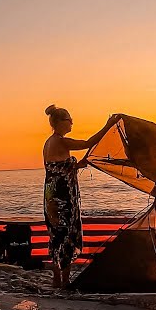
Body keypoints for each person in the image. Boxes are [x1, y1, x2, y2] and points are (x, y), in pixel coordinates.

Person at [42, 105, 118, 289]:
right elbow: (88, 143)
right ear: (59, 122)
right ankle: (65, 281)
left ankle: (56, 279)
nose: (72, 123)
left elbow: (56, 169)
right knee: (67, 234)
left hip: (50, 194)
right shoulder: (61, 141)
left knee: (56, 235)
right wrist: (108, 126)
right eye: (69, 119)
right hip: (63, 196)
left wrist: (77, 165)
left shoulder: (48, 143)